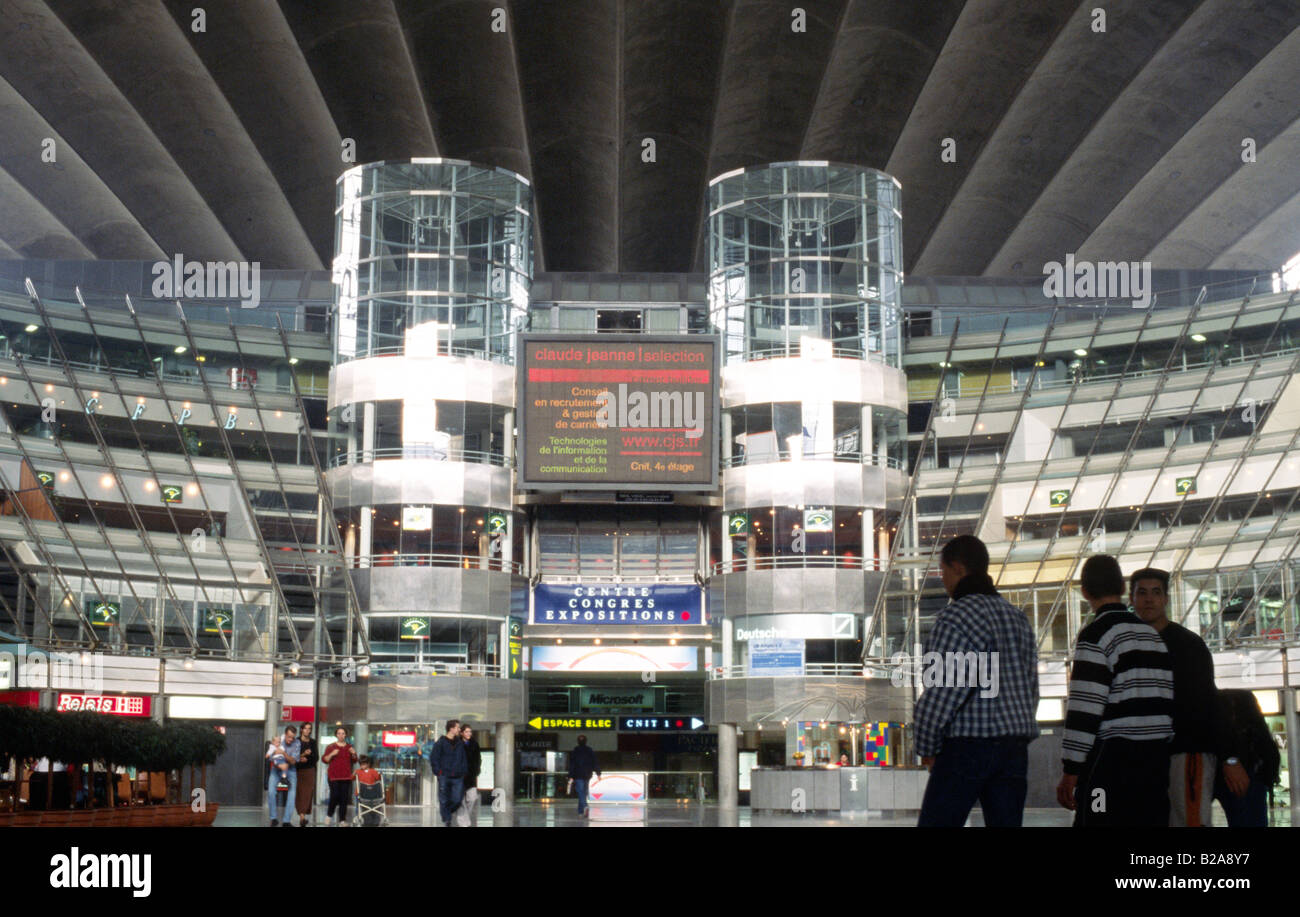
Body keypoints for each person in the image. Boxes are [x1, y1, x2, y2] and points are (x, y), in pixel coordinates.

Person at [914, 535, 1040, 827]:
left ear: (958, 568)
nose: (943, 579)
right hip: (1013, 748)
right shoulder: (1017, 618)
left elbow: (943, 692)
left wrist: (927, 746)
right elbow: (1031, 689)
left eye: (943, 571)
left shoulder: (955, 617)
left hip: (966, 747)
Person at [1057, 555, 1174, 827]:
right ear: (1123, 588)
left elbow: (1085, 708)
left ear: (1085, 592)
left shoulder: (1096, 635)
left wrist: (1071, 770)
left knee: (1096, 819)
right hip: (1156, 761)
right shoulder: (1153, 637)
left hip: (1111, 763)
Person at [1129, 568, 1247, 826]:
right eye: (1142, 593)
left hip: (1187, 751)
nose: (1149, 599)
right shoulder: (1130, 644)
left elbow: (1209, 702)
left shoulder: (1188, 644)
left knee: (1189, 820)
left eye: (1155, 593)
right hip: (1145, 754)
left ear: (1166, 599)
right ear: (1132, 599)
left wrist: (1230, 757)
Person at [1214, 689, 1280, 827]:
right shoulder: (1256, 736)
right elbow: (1269, 754)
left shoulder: (1224, 743)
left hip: (1234, 779)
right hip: (1254, 777)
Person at [430, 719, 467, 827]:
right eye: (457, 727)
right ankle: (447, 819)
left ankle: (447, 812)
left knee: (457, 799)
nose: (459, 729)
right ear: (451, 729)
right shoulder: (440, 743)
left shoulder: (460, 743)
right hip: (444, 775)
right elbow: (434, 758)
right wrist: (438, 772)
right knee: (444, 799)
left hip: (458, 776)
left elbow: (463, 758)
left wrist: (463, 771)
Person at [265, 725, 300, 827]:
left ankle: (286, 821)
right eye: (289, 737)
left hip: (291, 770)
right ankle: (273, 818)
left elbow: (293, 761)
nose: (291, 739)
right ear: (285, 734)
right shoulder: (278, 740)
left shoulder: (297, 743)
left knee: (292, 793)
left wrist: (284, 753)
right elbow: (271, 757)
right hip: (276, 768)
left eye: (293, 737)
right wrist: (280, 765)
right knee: (271, 792)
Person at [322, 726, 357, 827]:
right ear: (336, 735)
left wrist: (353, 753)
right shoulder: (331, 747)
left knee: (344, 799)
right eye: (339, 733)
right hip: (333, 777)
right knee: (334, 796)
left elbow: (355, 760)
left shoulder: (349, 747)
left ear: (345, 735)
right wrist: (332, 754)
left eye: (343, 733)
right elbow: (325, 760)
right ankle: (329, 815)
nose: (341, 735)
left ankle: (342, 820)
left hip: (346, 777)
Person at [567, 734, 601, 818]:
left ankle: (584, 806)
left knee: (580, 792)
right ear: (586, 741)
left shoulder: (575, 750)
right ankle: (581, 812)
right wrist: (598, 773)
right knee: (583, 792)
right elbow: (595, 762)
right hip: (587, 774)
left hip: (578, 774)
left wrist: (570, 776)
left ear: (578, 741)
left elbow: (572, 764)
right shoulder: (589, 750)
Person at [456, 723, 482, 828]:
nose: (469, 733)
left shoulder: (474, 744)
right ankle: (463, 822)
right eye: (466, 732)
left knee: (472, 798)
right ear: (462, 733)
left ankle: (465, 819)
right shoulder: (457, 744)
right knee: (460, 801)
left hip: (471, 776)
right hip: (459, 776)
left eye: (470, 731)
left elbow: (478, 759)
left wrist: (477, 770)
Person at [294, 722, 318, 827]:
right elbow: (293, 756)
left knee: (308, 793)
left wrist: (308, 758)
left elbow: (316, 757)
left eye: (309, 729)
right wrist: (301, 757)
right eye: (305, 728)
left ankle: (302, 816)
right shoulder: (296, 741)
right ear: (301, 729)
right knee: (299, 792)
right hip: (298, 770)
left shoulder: (313, 742)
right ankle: (302, 816)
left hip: (309, 770)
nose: (307, 730)